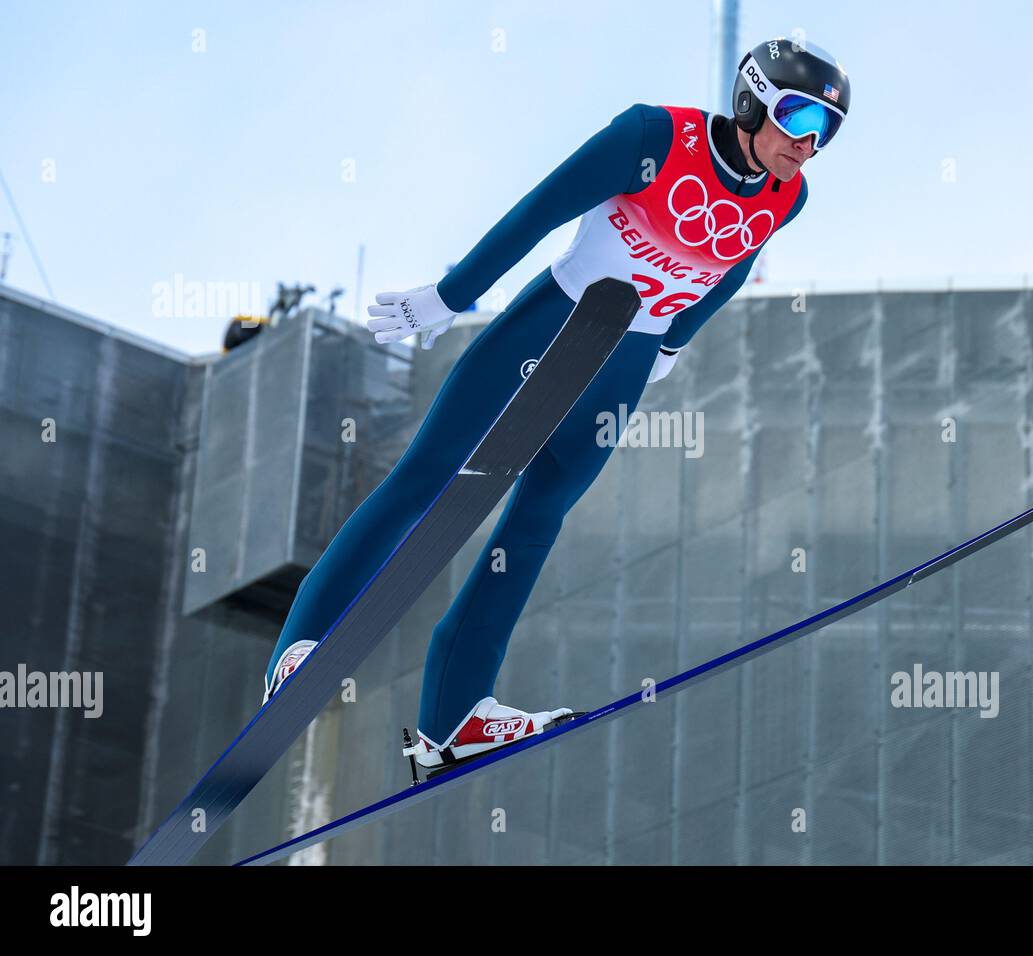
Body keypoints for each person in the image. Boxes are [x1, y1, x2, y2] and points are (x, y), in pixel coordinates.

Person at [263, 38, 851, 771]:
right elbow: (540, 209)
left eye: (827, 131)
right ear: (751, 98)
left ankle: (454, 717)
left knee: (538, 519)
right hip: (553, 321)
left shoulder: (785, 198)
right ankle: (299, 651)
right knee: (427, 478)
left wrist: (673, 343)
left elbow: (734, 265)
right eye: (798, 117)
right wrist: (451, 295)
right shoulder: (652, 139)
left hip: (624, 362)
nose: (807, 143)